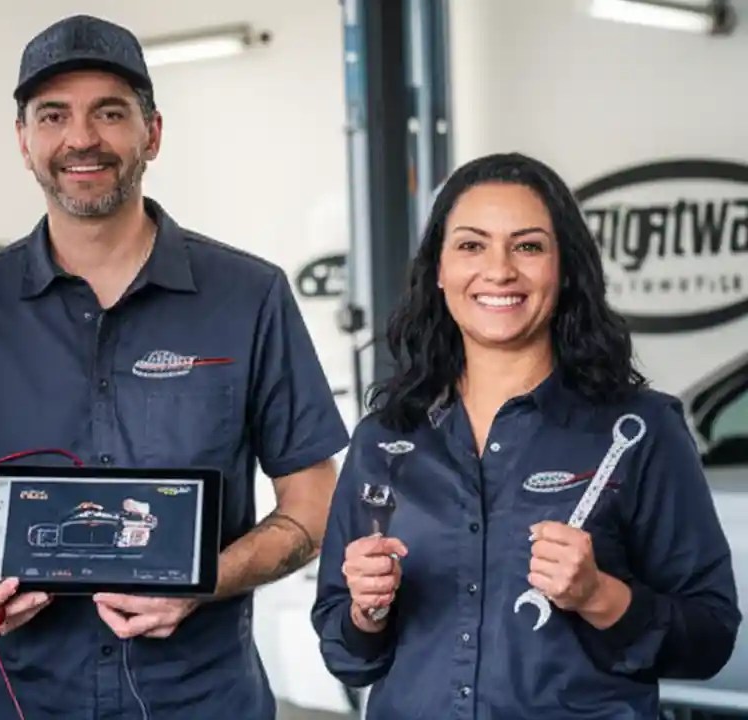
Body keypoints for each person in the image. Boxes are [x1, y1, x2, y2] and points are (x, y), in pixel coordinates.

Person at [0, 13, 350, 720]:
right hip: (22, 702)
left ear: (153, 134)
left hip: (203, 700)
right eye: (54, 116)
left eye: (110, 112)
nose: (81, 139)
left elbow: (314, 505)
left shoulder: (249, 297)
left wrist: (205, 580)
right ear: (24, 141)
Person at [312, 152, 741, 719]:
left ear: (564, 269)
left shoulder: (640, 432)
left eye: (528, 245)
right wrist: (366, 611)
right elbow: (347, 656)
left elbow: (710, 638)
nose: (499, 270)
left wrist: (599, 596)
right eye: (471, 245)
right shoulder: (385, 439)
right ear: (438, 270)